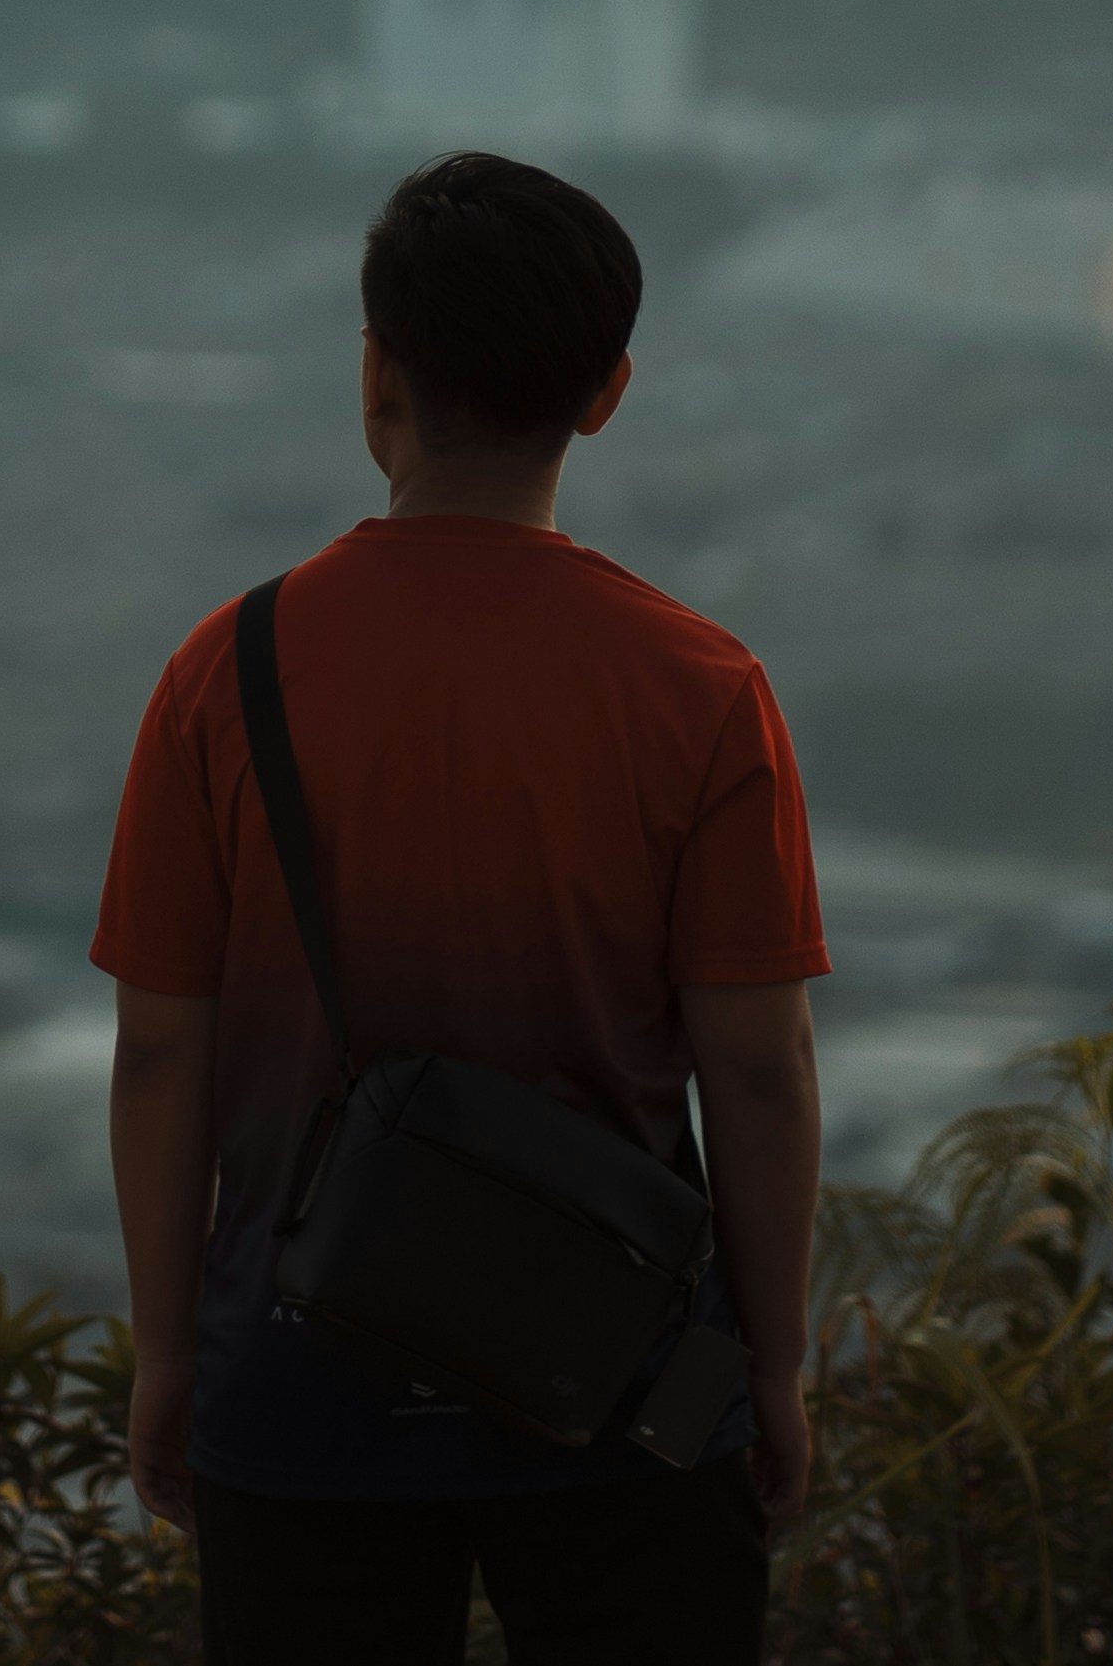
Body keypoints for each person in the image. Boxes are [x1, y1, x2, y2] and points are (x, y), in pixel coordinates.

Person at [94, 151, 826, 1666]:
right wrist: (774, 1365)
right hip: (640, 1370)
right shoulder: (700, 687)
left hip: (291, 1365)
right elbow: (756, 1066)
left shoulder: (222, 675)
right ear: (608, 390)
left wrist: (171, 1351)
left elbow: (163, 1053)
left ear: (375, 377)